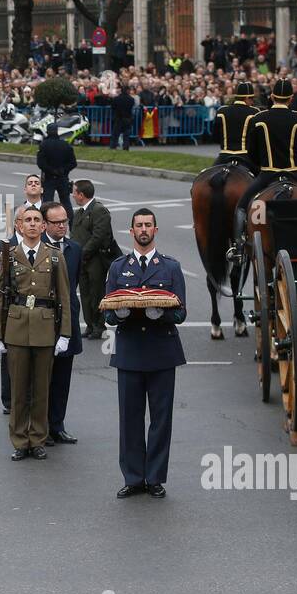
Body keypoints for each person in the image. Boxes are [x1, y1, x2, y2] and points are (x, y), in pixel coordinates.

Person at [105, 209, 187, 499]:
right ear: (131, 232)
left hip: (162, 351)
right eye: (138, 225)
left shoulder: (170, 267)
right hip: (129, 352)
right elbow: (108, 315)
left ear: (155, 230)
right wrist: (121, 313)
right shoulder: (118, 267)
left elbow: (181, 313)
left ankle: (154, 478)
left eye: (148, 225)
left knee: (161, 419)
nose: (143, 229)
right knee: (130, 419)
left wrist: (160, 314)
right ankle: (133, 477)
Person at [0, 205, 71, 460]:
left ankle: (37, 438)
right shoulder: (9, 254)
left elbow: (64, 297)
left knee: (40, 390)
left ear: (44, 226)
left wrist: (65, 333)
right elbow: (1, 295)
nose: (33, 224)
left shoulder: (55, 256)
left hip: (45, 327)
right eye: (28, 220)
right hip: (16, 327)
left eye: (37, 220)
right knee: (18, 390)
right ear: (19, 226)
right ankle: (19, 440)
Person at [236, 78, 297, 229]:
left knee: (242, 206)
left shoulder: (258, 118)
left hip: (267, 174)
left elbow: (252, 151)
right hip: (296, 173)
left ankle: (239, 243)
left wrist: (259, 165)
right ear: (291, 98)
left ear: (273, 97)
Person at [41, 201, 82, 444]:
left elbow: (75, 283)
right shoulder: (37, 247)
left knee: (63, 378)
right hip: (43, 321)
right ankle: (40, 426)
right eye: (56, 223)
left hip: (68, 321)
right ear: (45, 224)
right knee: (41, 377)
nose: (62, 226)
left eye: (65, 221)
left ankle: (58, 424)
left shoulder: (74, 248)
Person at [0, 207, 23, 414]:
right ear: (18, 223)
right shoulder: (2, 246)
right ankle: (9, 400)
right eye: (27, 220)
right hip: (8, 310)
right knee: (9, 355)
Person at [71, 179, 117, 339]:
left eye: (74, 192)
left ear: (81, 194)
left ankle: (99, 325)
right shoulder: (79, 213)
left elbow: (98, 236)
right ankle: (90, 325)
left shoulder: (99, 210)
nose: (72, 195)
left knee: (97, 293)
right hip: (82, 260)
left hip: (96, 260)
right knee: (85, 293)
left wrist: (82, 253)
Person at [212, 81, 259, 165]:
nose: (252, 102)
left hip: (224, 156)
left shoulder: (221, 111)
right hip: (245, 156)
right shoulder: (254, 112)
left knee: (208, 175)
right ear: (247, 98)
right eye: (252, 99)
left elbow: (215, 137)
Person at [37, 126, 77, 208]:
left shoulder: (44, 145)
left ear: (47, 132)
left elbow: (41, 163)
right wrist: (63, 170)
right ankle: (70, 219)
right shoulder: (65, 145)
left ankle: (47, 219)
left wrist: (51, 171)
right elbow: (73, 163)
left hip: (49, 178)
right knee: (66, 202)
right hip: (63, 177)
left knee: (47, 202)